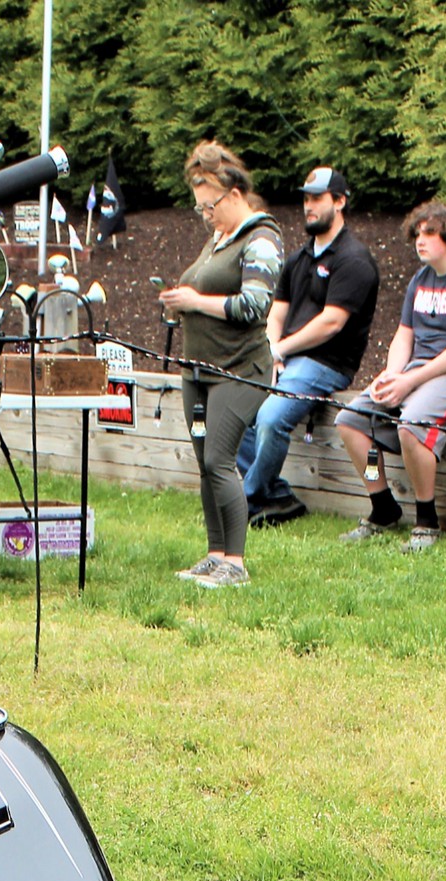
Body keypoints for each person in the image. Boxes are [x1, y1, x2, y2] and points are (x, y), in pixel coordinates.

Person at [335, 199, 446, 553]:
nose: (420, 240)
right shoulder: (421, 279)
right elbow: (404, 336)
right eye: (417, 232)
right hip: (418, 371)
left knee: (411, 423)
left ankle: (426, 521)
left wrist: (410, 382)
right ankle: (382, 507)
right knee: (350, 420)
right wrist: (392, 375)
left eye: (430, 232)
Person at [158, 142, 283, 589]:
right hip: (198, 370)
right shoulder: (219, 239)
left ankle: (237, 563)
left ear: (232, 194)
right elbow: (204, 293)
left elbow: (255, 305)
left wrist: (196, 301)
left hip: (239, 369)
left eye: (209, 206)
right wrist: (180, 305)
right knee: (204, 463)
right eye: (199, 209)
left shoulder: (262, 238)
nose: (205, 216)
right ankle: (214, 555)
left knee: (219, 459)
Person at [236, 167, 379, 528]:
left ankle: (244, 502)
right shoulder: (299, 259)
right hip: (288, 356)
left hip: (326, 362)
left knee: (269, 418)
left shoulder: (354, 259)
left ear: (340, 201)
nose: (309, 206)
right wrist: (271, 350)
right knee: (234, 409)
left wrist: (282, 349)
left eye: (317, 198)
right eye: (306, 198)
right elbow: (276, 313)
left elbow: (331, 323)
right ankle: (278, 497)